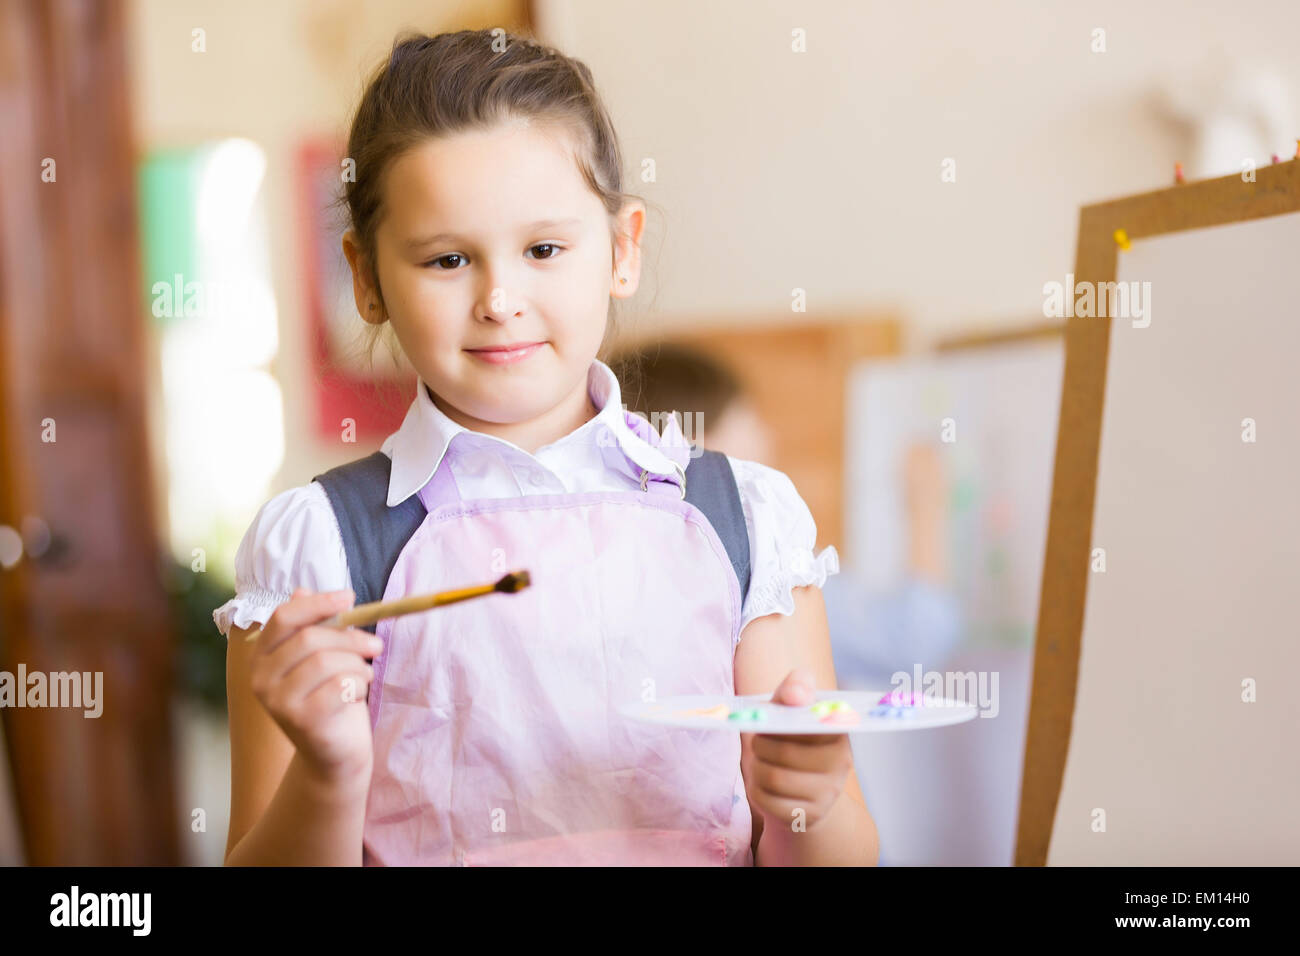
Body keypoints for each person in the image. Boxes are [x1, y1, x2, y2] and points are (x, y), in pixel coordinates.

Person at [214, 29, 876, 867]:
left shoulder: (746, 519)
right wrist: (327, 773)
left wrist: (811, 803)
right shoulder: (316, 546)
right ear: (368, 279)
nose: (500, 299)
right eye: (448, 259)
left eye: (543, 250)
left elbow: (837, 853)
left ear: (622, 250)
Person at [611, 343, 962, 690]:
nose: (768, 437)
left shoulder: (622, 558)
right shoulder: (763, 559)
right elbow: (915, 638)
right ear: (691, 442)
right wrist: (926, 506)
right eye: (748, 419)